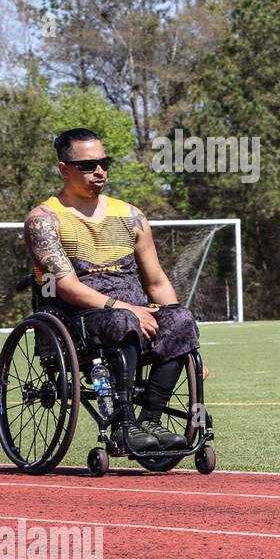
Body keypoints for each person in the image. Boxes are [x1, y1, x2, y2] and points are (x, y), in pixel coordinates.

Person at [23, 128, 201, 453]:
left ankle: (149, 421)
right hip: (78, 319)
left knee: (181, 320)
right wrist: (128, 309)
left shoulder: (131, 215)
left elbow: (157, 282)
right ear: (64, 168)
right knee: (122, 320)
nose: (100, 171)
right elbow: (67, 287)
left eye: (104, 162)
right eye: (88, 165)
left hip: (135, 315)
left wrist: (182, 344)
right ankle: (123, 426)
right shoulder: (44, 220)